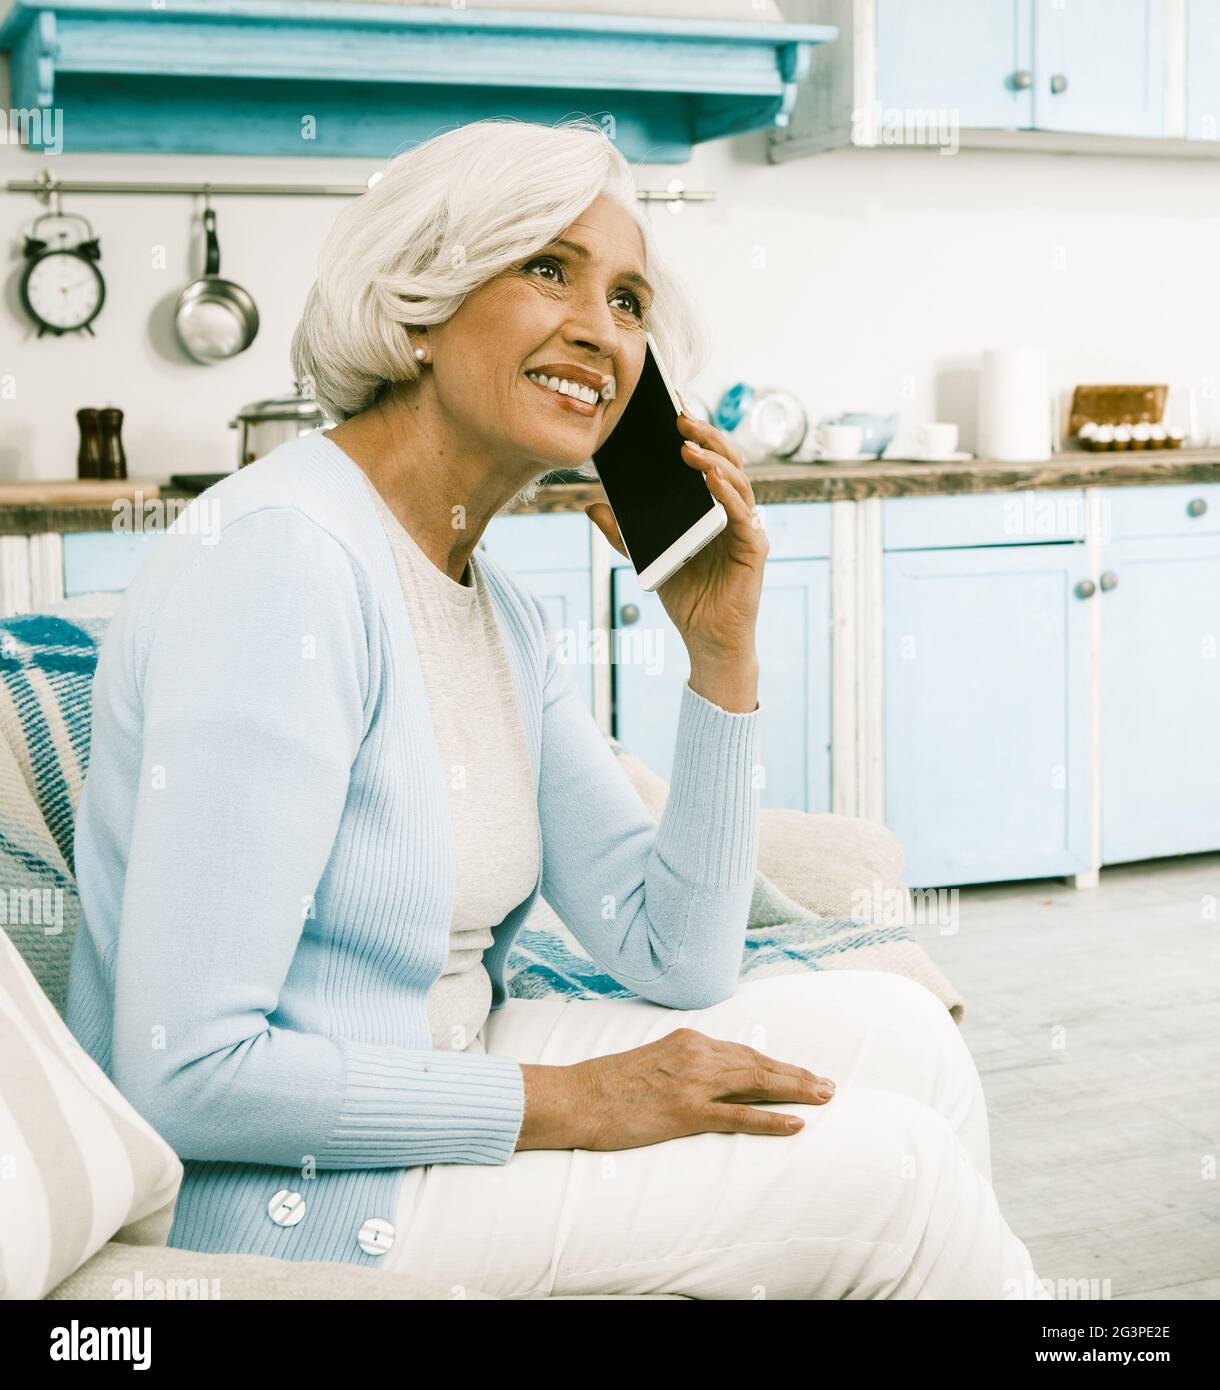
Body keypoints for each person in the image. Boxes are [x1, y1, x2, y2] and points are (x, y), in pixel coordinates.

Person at [66, 116, 1044, 1298]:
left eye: (629, 300)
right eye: (547, 268)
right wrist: (582, 1100)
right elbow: (186, 1073)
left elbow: (672, 953)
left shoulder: (495, 607)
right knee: (892, 1175)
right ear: (417, 304)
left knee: (904, 1040)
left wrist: (718, 652)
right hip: (296, 1196)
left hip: (444, 1064)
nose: (601, 328)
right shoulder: (282, 566)